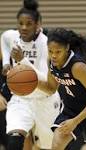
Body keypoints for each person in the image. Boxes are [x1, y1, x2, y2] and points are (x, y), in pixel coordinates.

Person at [37, 28, 86, 150]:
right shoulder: (52, 63)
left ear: (67, 48)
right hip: (71, 109)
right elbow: (51, 88)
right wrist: (33, 82)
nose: (54, 56)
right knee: (57, 144)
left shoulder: (77, 67)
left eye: (58, 51)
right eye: (50, 51)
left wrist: (75, 121)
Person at [1, 0, 61, 149]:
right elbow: (4, 38)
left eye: (29, 23)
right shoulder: (12, 36)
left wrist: (23, 60)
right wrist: (6, 63)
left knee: (47, 146)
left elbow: (44, 82)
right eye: (20, 23)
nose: (24, 27)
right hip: (21, 99)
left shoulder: (46, 45)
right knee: (15, 142)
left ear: (38, 24)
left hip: (44, 100)